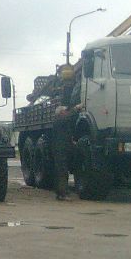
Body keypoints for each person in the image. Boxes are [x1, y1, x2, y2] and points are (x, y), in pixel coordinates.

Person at [53, 64, 81, 201]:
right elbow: (67, 116)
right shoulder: (60, 117)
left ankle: (62, 193)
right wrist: (76, 109)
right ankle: (62, 193)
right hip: (61, 146)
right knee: (62, 169)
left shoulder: (60, 115)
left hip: (64, 144)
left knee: (62, 168)